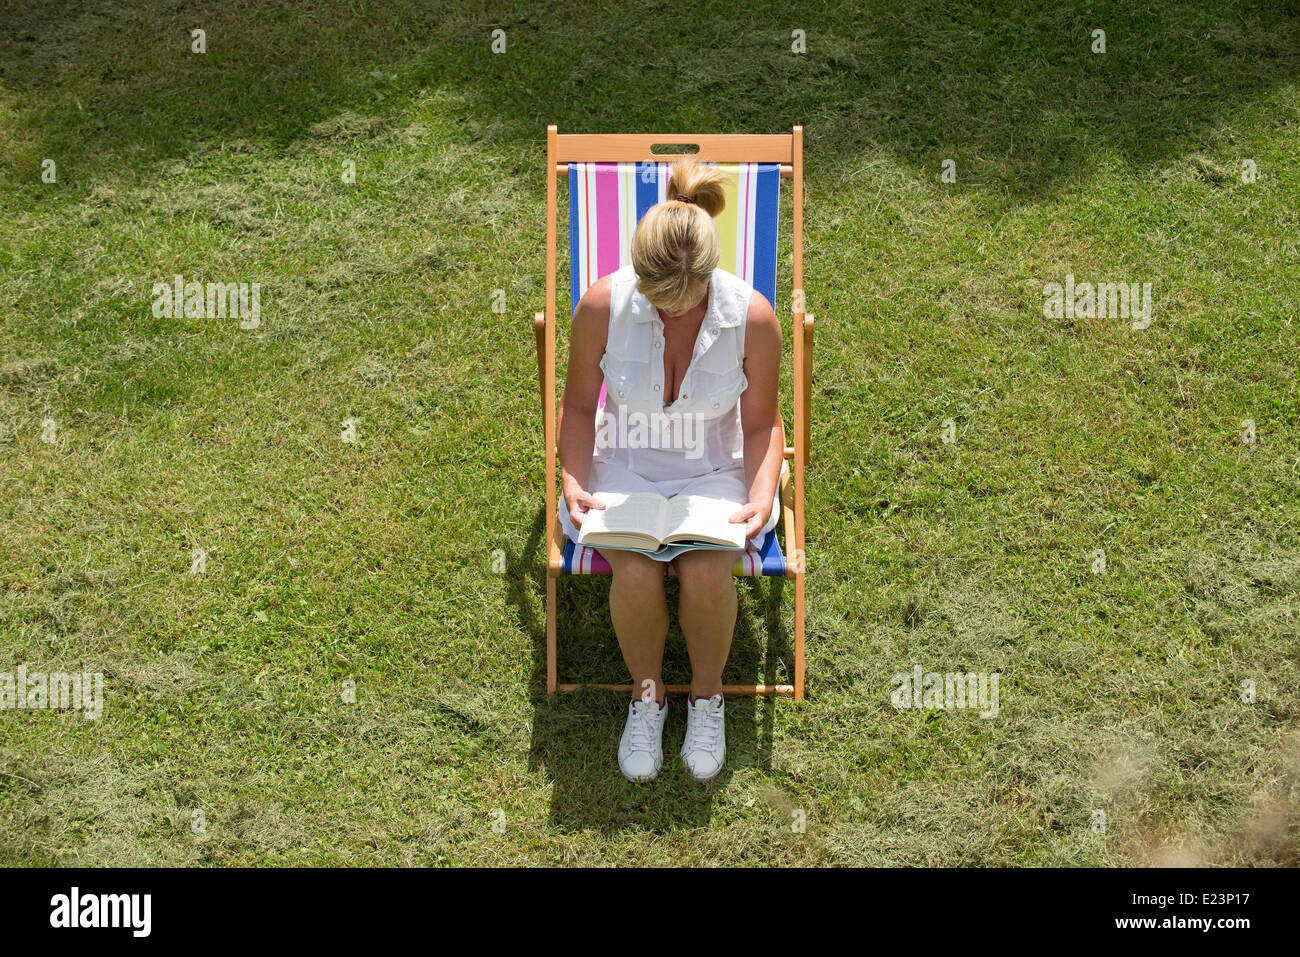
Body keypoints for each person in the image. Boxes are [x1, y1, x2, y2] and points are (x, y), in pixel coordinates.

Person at [557, 158, 784, 782]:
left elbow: (764, 424)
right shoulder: (602, 303)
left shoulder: (753, 316)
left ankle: (705, 698)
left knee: (708, 572)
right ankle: (649, 697)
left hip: (716, 465)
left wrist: (764, 493)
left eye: (682, 306)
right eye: (656, 305)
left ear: (710, 279)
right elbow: (577, 407)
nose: (667, 317)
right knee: (633, 570)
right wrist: (574, 479)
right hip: (621, 461)